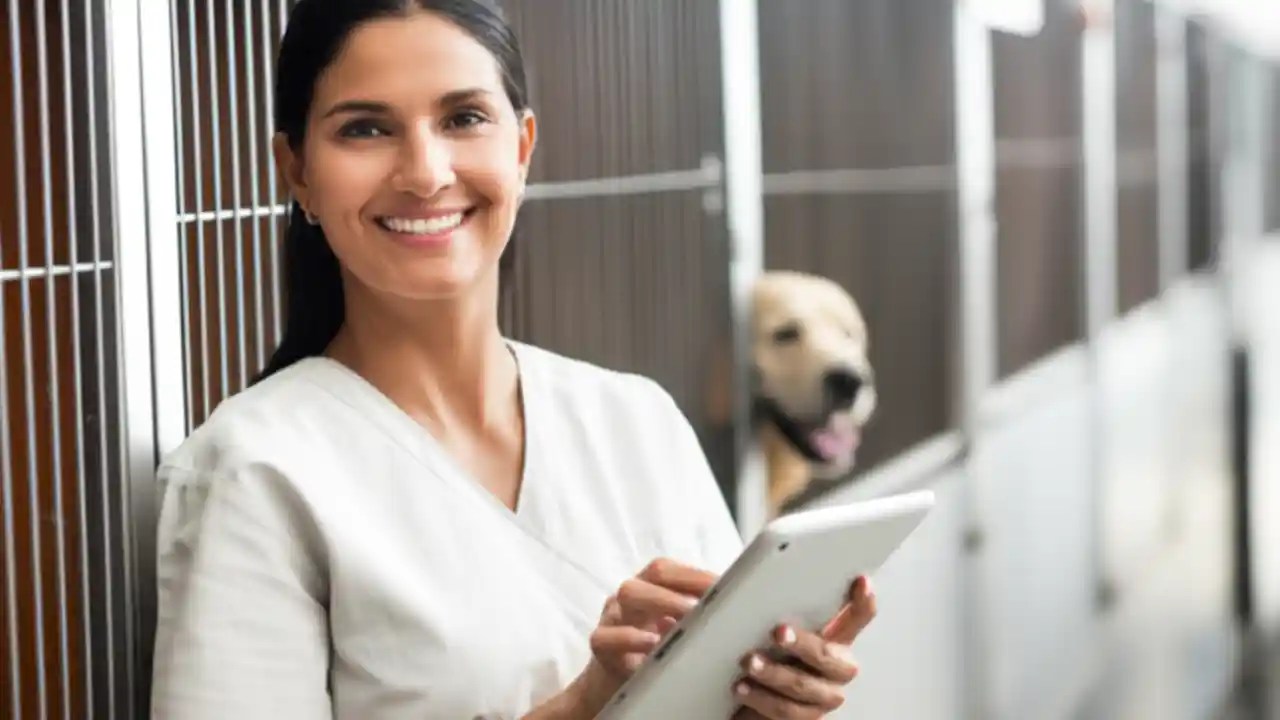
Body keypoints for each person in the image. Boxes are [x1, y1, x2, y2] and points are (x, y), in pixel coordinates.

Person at [149, 1, 877, 718]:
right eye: (365, 129)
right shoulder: (253, 471)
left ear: (522, 148)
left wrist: (764, 700)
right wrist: (587, 703)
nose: (426, 172)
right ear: (298, 171)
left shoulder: (636, 420)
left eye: (464, 119)